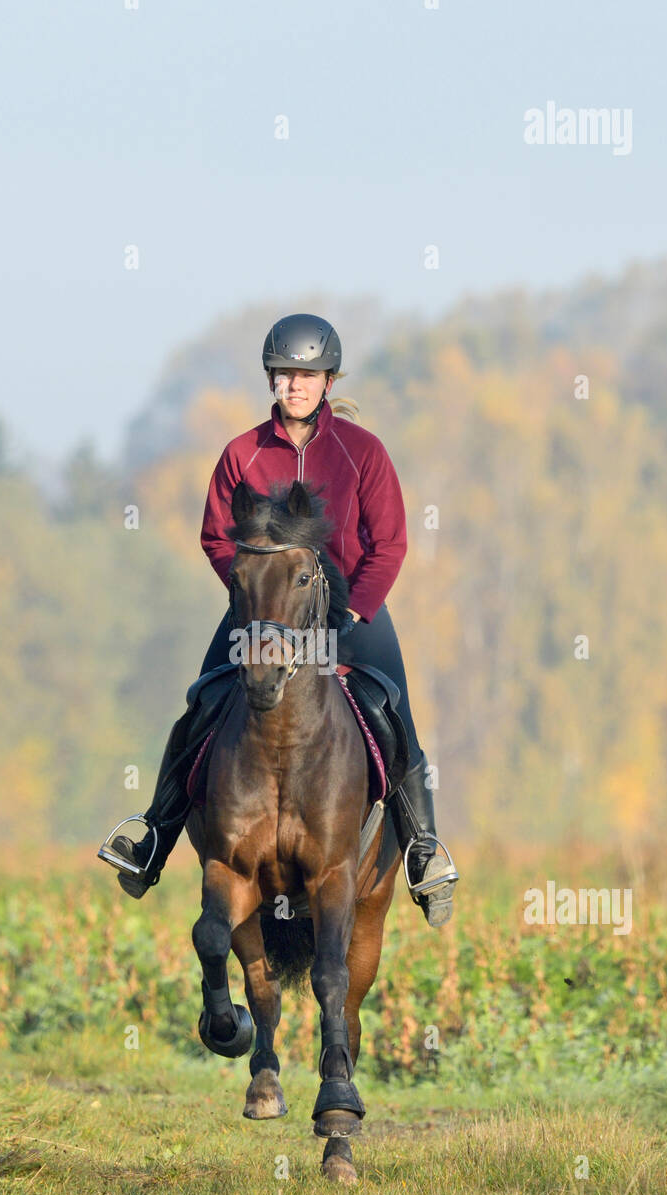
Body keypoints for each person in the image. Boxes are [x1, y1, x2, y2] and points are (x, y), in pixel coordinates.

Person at [111, 313, 457, 925]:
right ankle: (154, 836)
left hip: (349, 609)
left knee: (391, 711)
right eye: (285, 374)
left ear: (328, 380)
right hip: (261, 616)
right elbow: (216, 537)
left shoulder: (364, 452)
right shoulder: (241, 453)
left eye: (308, 374)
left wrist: (355, 605)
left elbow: (392, 543)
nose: (295, 385)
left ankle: (425, 851)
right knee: (202, 705)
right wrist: (253, 598)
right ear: (271, 379)